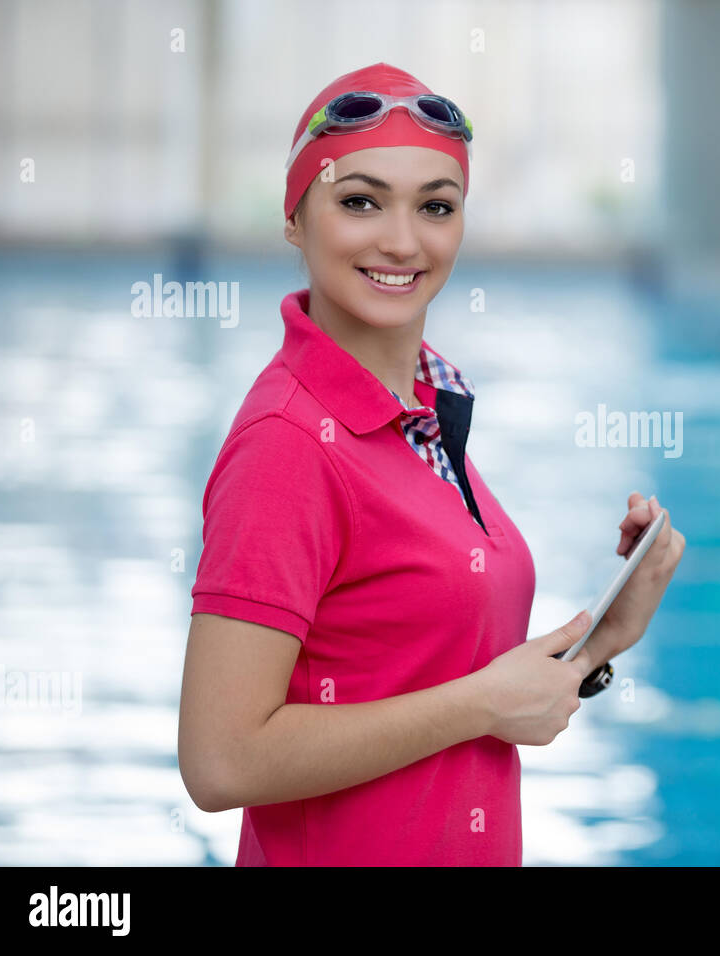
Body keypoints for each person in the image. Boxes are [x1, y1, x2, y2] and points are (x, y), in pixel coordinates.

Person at [176, 62, 685, 865]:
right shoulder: (290, 443)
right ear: (295, 218)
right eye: (360, 201)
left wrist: (598, 644)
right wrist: (481, 706)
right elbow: (220, 759)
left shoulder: (422, 413)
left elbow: (424, 675)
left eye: (436, 207)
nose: (402, 241)